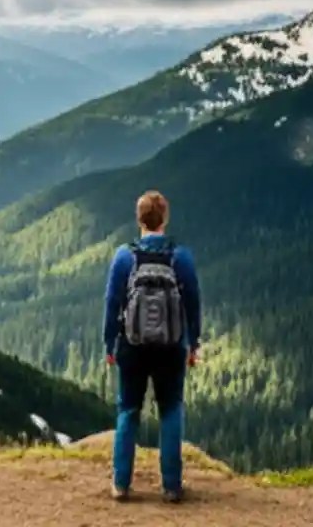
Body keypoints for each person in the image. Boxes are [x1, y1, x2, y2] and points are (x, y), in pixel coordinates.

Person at [103, 190, 201, 504]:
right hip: (171, 347)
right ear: (165, 218)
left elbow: (112, 303)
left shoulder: (125, 257)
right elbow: (193, 303)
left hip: (132, 345)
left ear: (139, 219)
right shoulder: (180, 256)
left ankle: (121, 484)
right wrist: (192, 343)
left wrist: (109, 343)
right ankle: (171, 486)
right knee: (171, 410)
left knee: (128, 410)